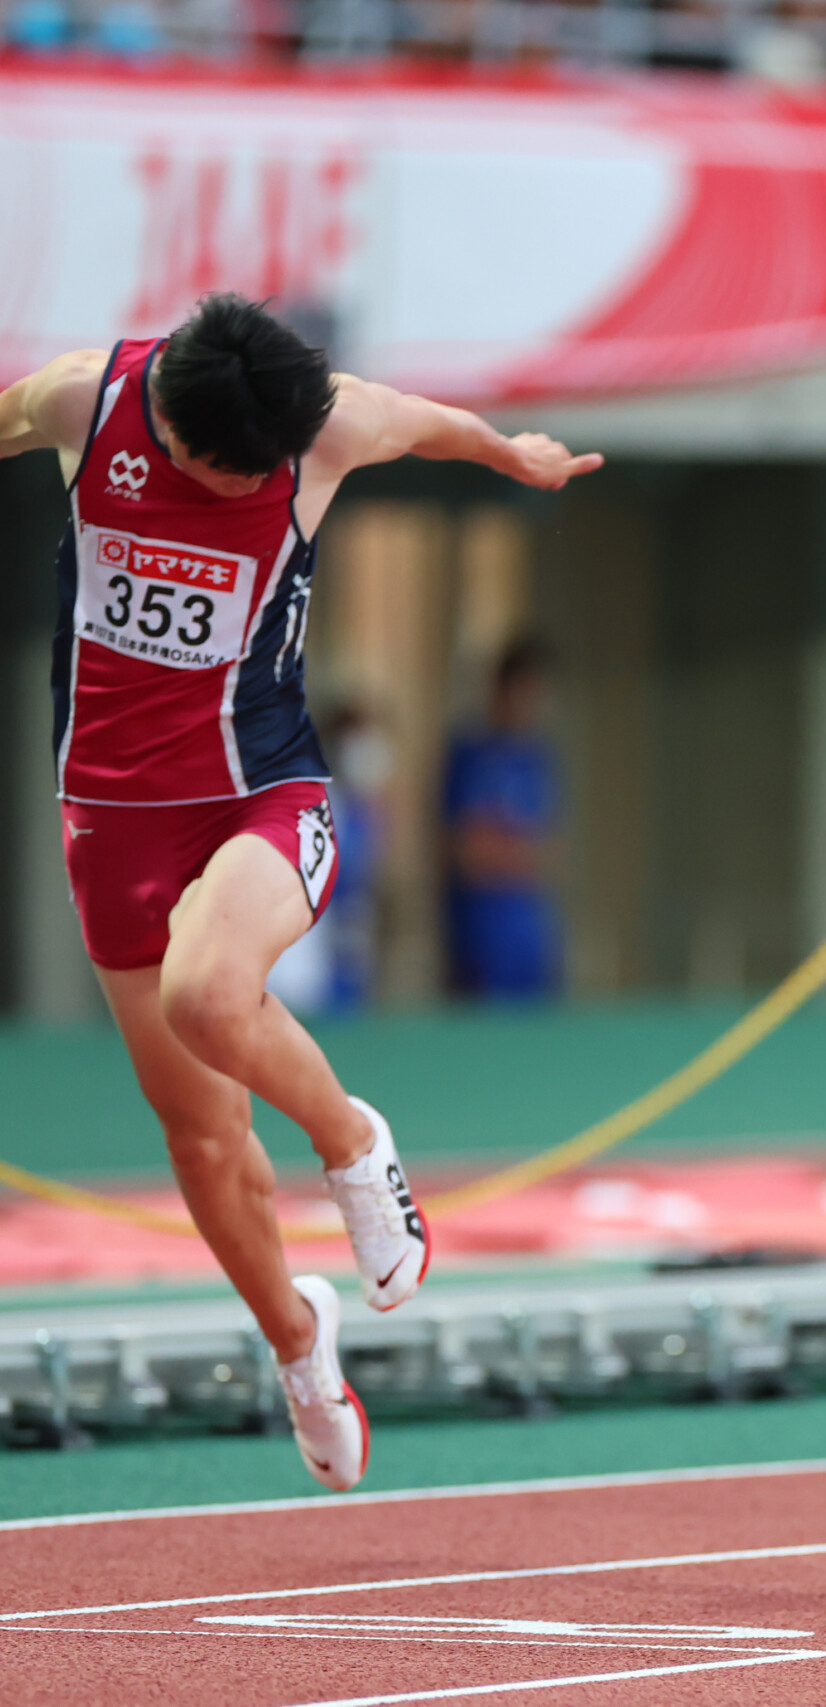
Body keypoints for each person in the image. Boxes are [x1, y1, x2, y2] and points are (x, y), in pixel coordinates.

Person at [0, 294, 601, 1493]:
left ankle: (352, 1142)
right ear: (169, 426)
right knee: (203, 1138)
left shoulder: (327, 430)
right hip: (109, 820)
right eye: (229, 476)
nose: (246, 490)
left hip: (260, 793)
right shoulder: (86, 397)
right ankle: (297, 1343)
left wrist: (511, 452)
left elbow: (431, 424)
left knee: (210, 997)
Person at [443, 638, 562, 1000]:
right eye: (525, 689)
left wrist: (506, 852)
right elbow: (465, 852)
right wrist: (516, 854)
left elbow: (553, 852)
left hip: (531, 938)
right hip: (481, 939)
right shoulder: (469, 756)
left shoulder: (538, 757)